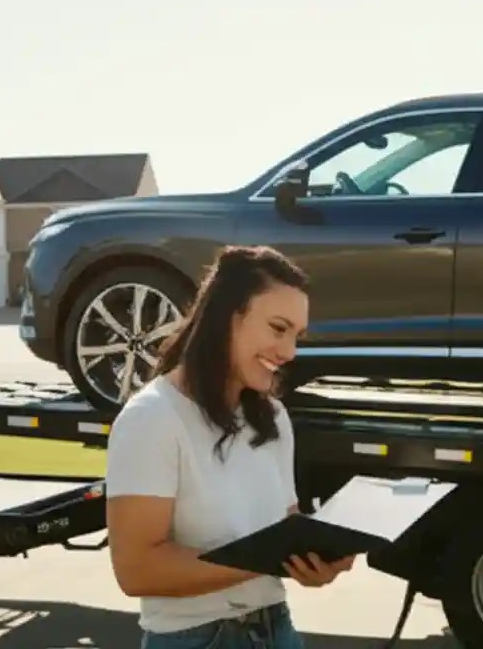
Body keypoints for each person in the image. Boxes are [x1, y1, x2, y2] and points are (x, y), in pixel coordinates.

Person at [104, 244, 355, 648]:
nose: (290, 352)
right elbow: (137, 570)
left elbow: (284, 526)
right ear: (226, 317)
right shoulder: (151, 419)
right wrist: (268, 560)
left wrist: (317, 556)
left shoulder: (273, 416)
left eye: (297, 336)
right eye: (278, 328)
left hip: (277, 629)